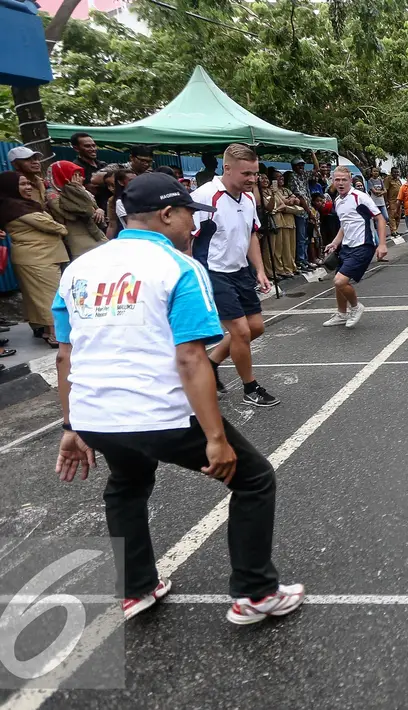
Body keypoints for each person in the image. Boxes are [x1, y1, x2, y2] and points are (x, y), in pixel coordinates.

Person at [50, 171, 304, 625]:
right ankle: (255, 593)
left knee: (126, 485)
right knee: (254, 478)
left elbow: (65, 357)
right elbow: (190, 359)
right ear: (167, 214)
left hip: (96, 415)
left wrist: (72, 427)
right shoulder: (180, 268)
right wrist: (215, 437)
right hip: (159, 412)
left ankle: (136, 588)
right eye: (190, 216)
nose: (195, 227)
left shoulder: (78, 269)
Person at [190, 144, 279, 406]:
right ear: (227, 168)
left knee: (256, 328)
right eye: (246, 174)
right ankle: (250, 388)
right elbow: (187, 238)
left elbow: (251, 233)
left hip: (240, 271)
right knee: (240, 331)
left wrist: (260, 270)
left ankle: (212, 361)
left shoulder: (249, 198)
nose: (252, 179)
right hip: (213, 271)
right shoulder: (205, 197)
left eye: (254, 173)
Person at [0, 171, 69, 347]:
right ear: (10, 187)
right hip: (37, 257)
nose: (27, 187)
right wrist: (61, 227)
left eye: (28, 183)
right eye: (22, 184)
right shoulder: (16, 208)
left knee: (41, 296)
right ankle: (56, 336)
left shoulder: (21, 205)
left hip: (40, 256)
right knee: (50, 297)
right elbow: (56, 227)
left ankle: (47, 331)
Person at [320, 165, 387, 328]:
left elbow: (380, 219)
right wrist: (335, 243)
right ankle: (342, 314)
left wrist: (383, 244)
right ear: (333, 181)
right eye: (337, 180)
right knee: (338, 282)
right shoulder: (338, 200)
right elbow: (345, 225)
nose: (341, 183)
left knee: (340, 281)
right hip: (347, 247)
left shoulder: (360, 197)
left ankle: (356, 307)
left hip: (363, 245)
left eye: (344, 179)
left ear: (350, 180)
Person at [46, 161, 108, 259]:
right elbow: (78, 213)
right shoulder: (53, 195)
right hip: (79, 243)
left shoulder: (82, 190)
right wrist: (75, 189)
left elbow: (94, 207)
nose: (81, 178)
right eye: (75, 175)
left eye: (80, 175)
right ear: (63, 176)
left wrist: (100, 210)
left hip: (96, 235)